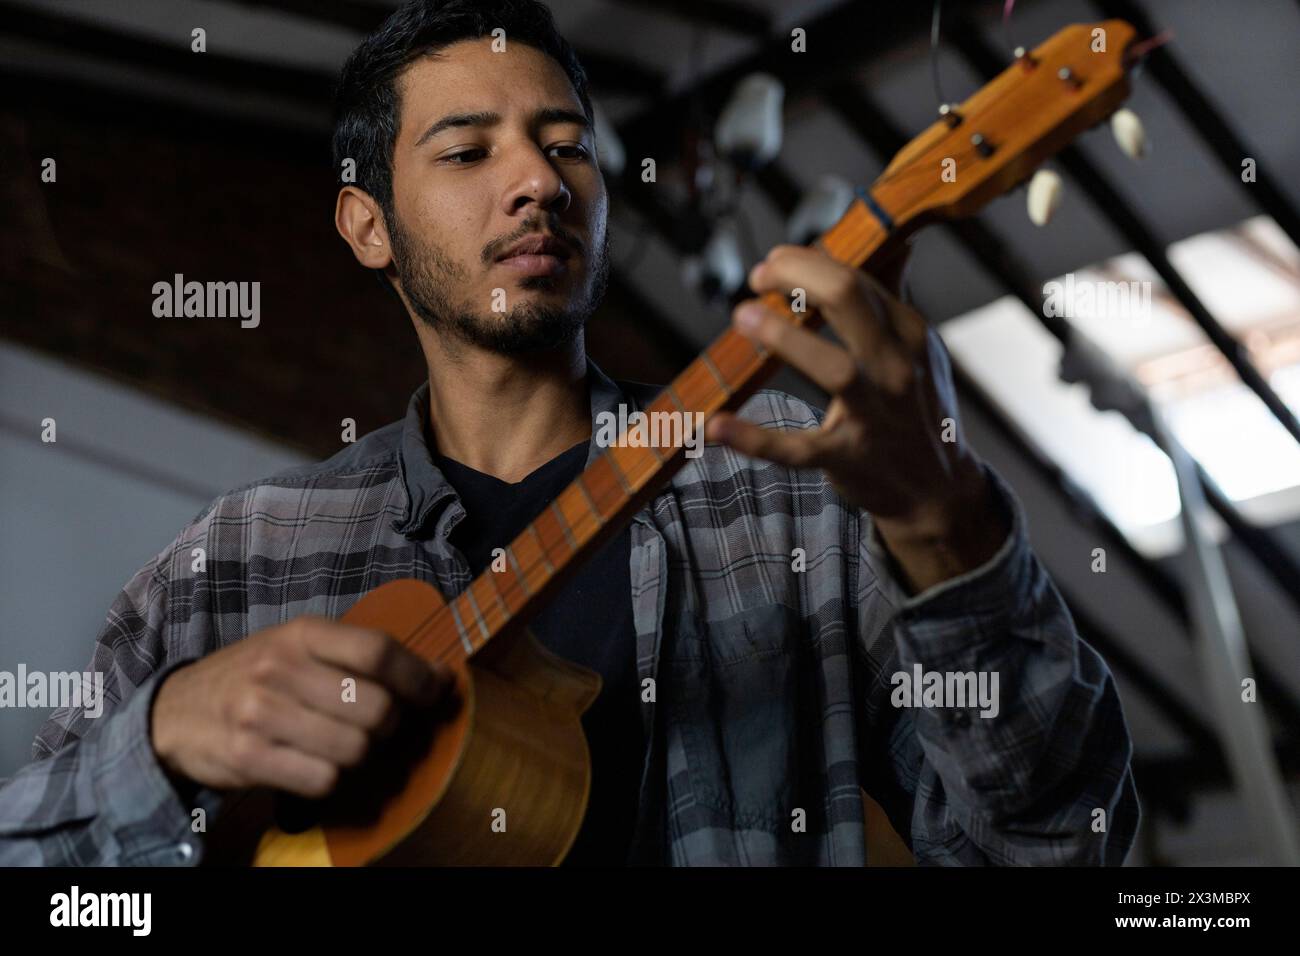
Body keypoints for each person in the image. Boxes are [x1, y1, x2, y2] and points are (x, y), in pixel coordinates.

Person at [0, 0, 1138, 866]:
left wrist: (944, 526)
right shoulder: (231, 564)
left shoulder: (802, 491)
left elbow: (1058, 842)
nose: (538, 180)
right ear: (367, 226)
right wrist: (163, 738)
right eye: (465, 151)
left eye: (567, 143)